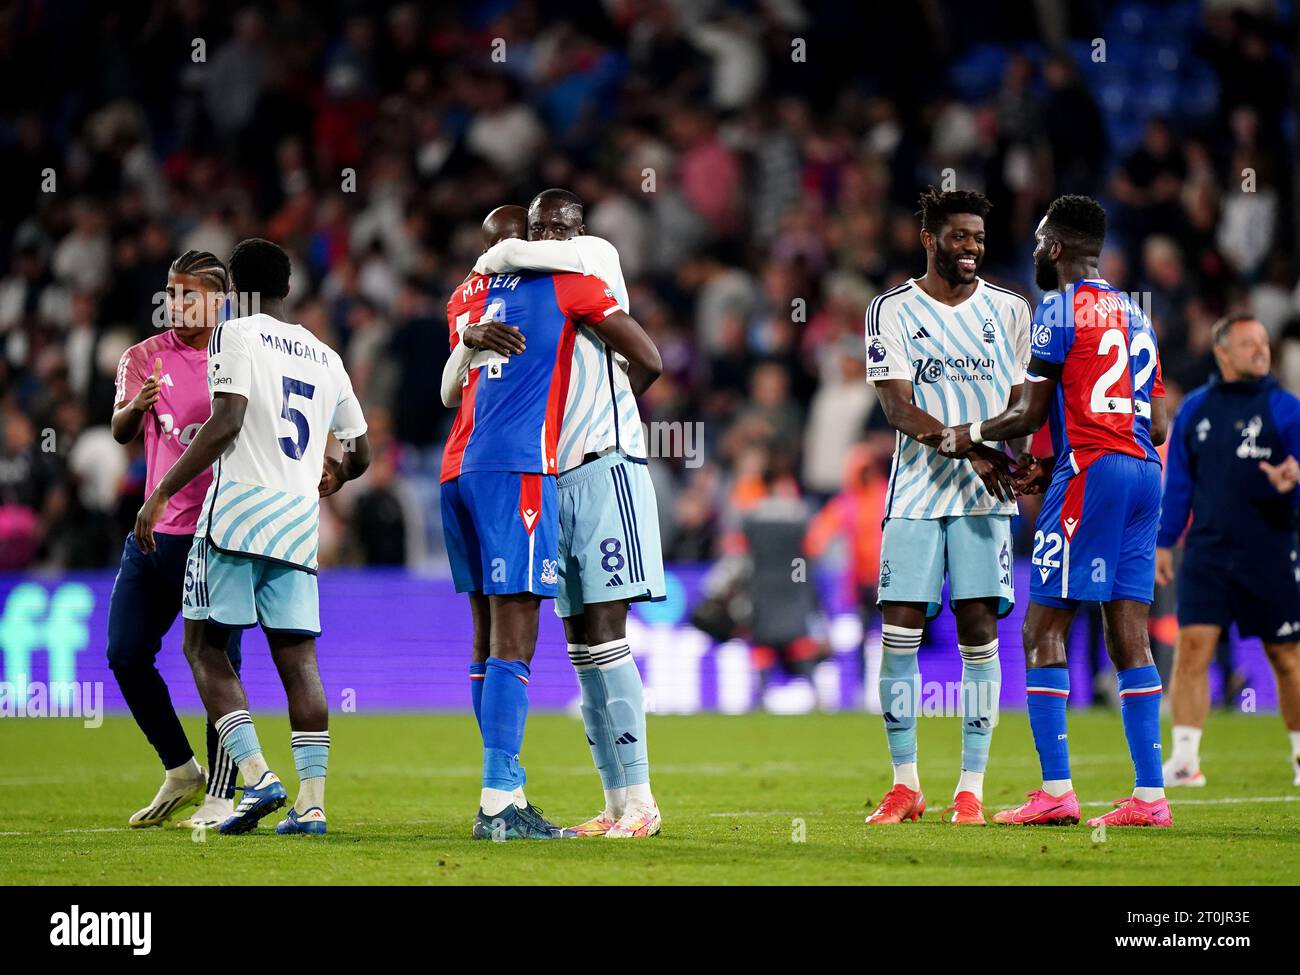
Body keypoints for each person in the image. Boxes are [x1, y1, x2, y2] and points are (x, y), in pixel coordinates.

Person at [928, 195, 1172, 828]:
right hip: (1145, 473)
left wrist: (965, 435)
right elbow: (1160, 419)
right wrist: (1054, 460)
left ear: (1058, 248)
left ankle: (1057, 792)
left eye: (1039, 241)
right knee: (1128, 630)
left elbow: (1029, 413)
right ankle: (1150, 798)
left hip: (1092, 470)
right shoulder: (1135, 314)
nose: (1034, 250)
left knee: (1042, 629)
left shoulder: (1057, 308)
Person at [135, 238, 371, 837]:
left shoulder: (235, 335)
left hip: (237, 514)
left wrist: (161, 490)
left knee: (203, 647)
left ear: (235, 289)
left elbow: (227, 420)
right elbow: (360, 451)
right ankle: (312, 805)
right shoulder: (326, 355)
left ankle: (259, 776)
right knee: (299, 660)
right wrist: (335, 473)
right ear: (290, 288)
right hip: (297, 523)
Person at [440, 202, 661, 840]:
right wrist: (468, 333)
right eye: (545, 228)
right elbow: (454, 385)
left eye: (565, 225)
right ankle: (614, 802)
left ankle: (640, 800)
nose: (556, 237)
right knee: (580, 644)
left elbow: (505, 256)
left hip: (600, 464)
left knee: (607, 632)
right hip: (542, 473)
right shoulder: (526, 286)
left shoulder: (590, 257)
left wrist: (616, 402)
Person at [864, 188, 1031, 826]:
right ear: (929, 239)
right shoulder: (892, 309)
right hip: (915, 493)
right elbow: (897, 408)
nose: (972, 250)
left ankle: (971, 789)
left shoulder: (1011, 311)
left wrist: (1005, 449)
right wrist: (973, 449)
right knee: (900, 631)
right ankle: (905, 785)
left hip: (985, 501)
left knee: (980, 636)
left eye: (979, 239)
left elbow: (1024, 406)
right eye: (959, 237)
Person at [108, 250, 244, 830]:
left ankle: (223, 795)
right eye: (171, 291)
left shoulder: (236, 355)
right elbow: (118, 430)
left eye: (190, 294)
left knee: (220, 663)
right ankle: (179, 768)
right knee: (125, 653)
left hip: (215, 532)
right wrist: (133, 407)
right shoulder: (143, 357)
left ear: (219, 301)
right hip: (153, 532)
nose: (177, 303)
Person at [1156, 314, 1300, 788]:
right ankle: (1184, 761)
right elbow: (1178, 485)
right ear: (1223, 351)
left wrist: (1292, 483)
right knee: (1192, 649)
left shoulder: (1287, 410)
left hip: (1272, 550)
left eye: (1263, 342)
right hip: (1207, 553)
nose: (1261, 349)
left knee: (1284, 654)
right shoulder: (1196, 409)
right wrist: (1163, 541)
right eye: (1249, 343)